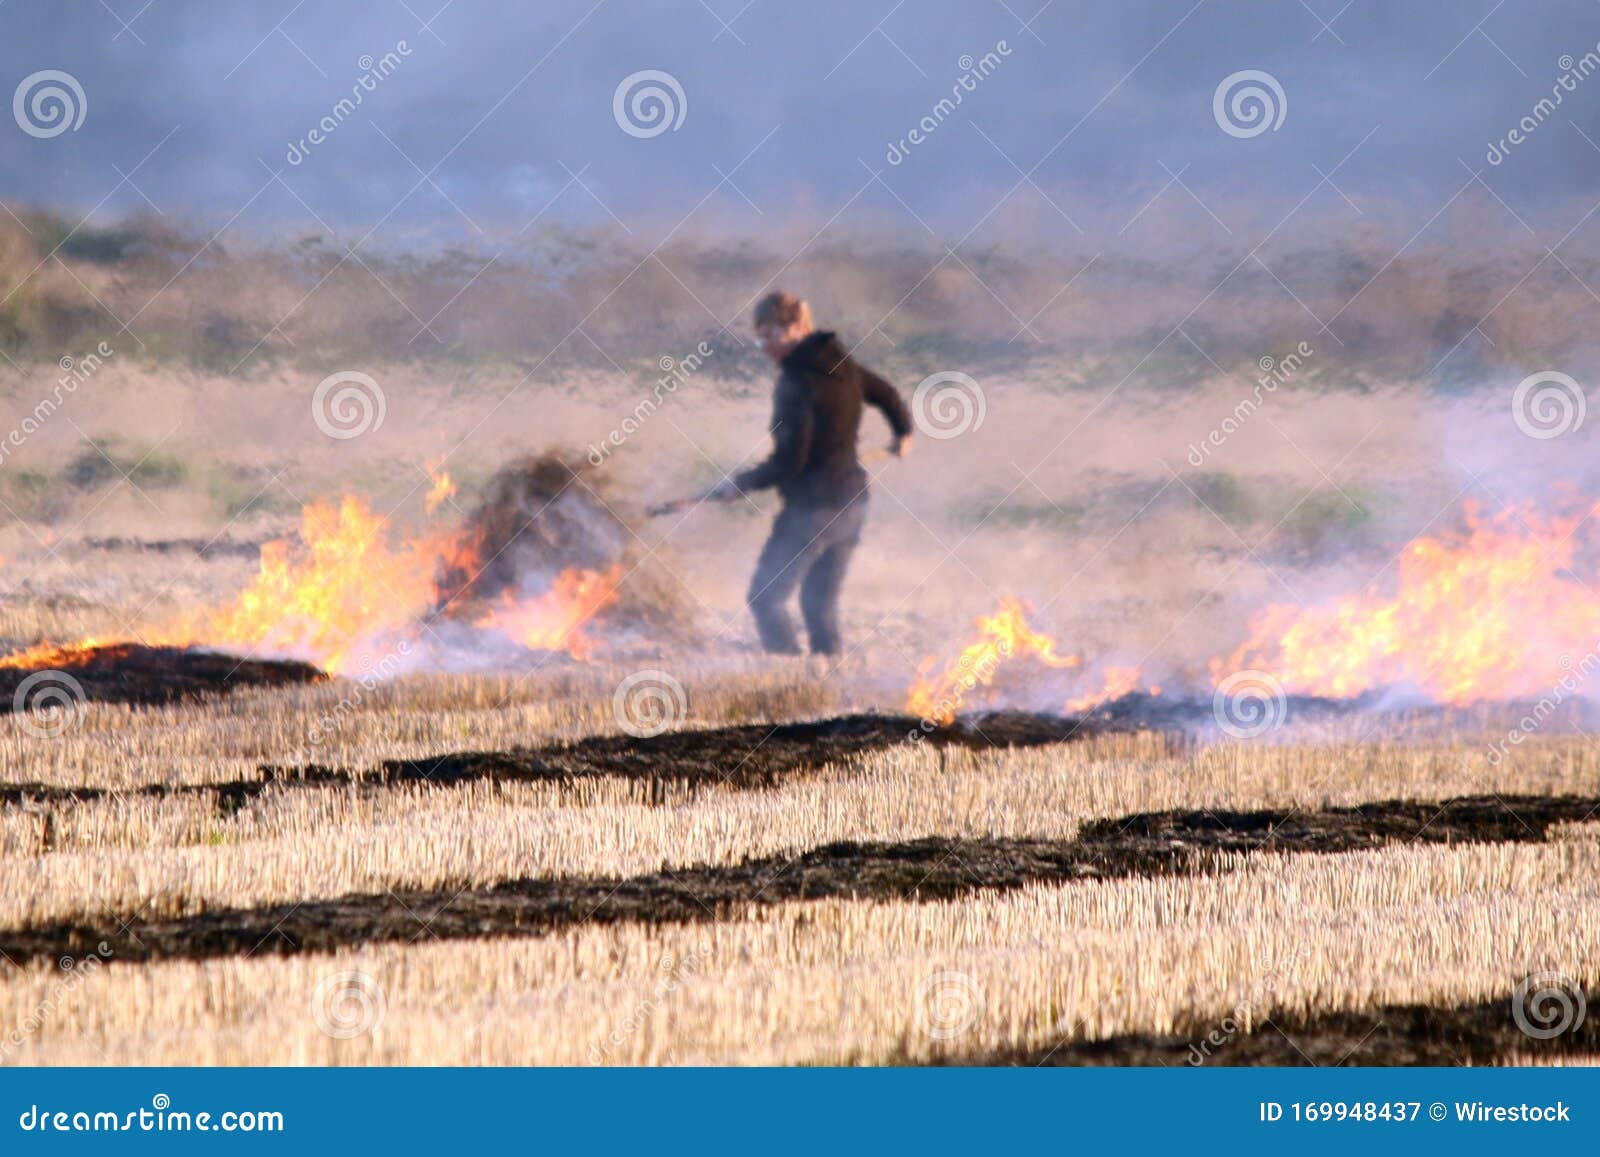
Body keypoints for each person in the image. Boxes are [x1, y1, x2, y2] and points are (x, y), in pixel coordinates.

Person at [710, 291, 913, 655]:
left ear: (799, 328)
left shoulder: (798, 382)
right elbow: (885, 393)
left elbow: (791, 461)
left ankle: (787, 676)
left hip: (813, 511)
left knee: (765, 599)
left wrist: (742, 484)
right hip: (851, 507)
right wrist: (904, 431)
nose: (764, 346)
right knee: (818, 607)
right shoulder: (841, 362)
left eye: (772, 335)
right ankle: (829, 689)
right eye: (760, 336)